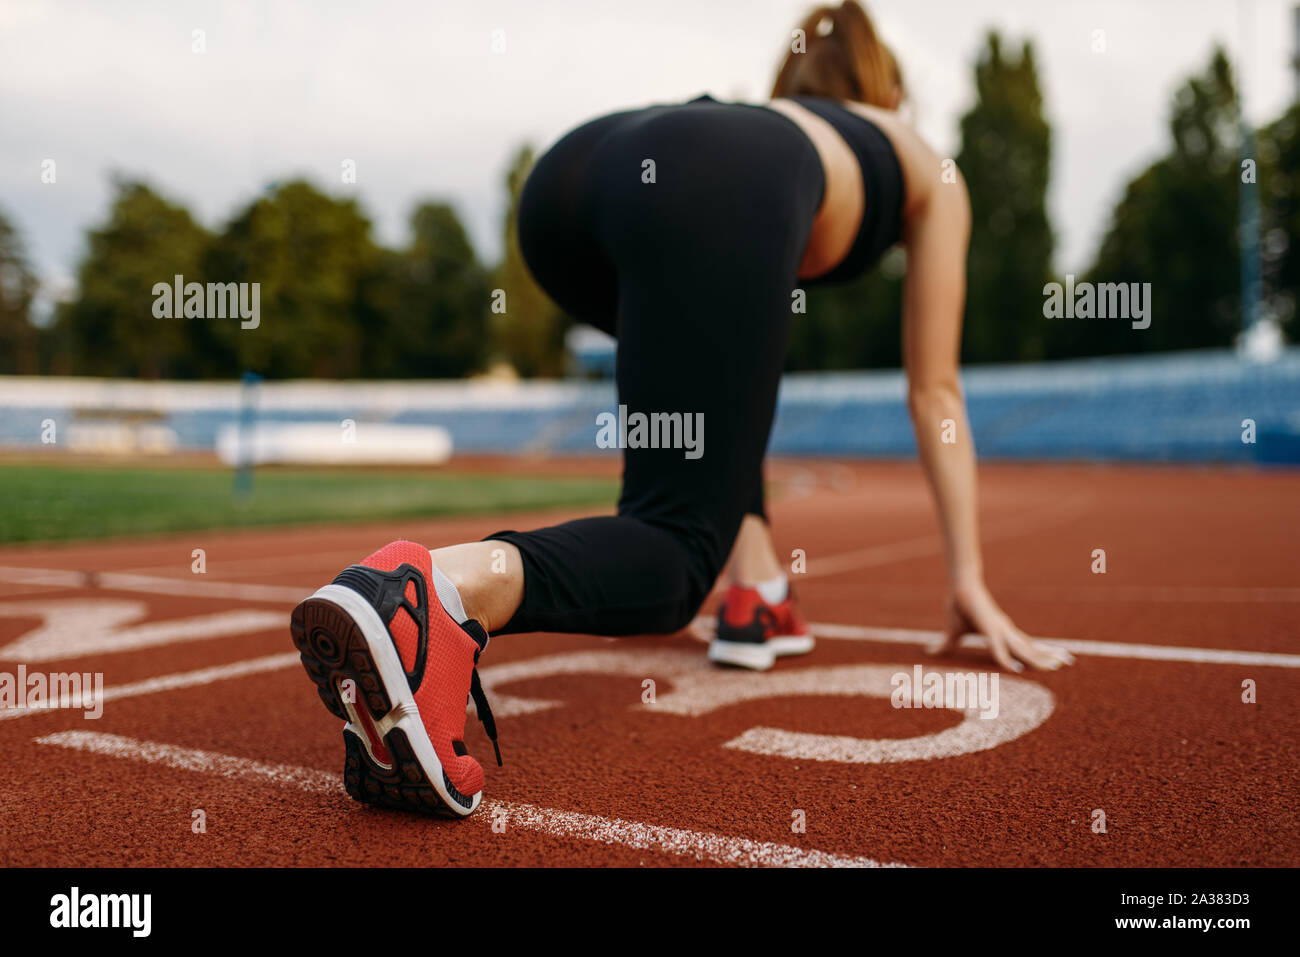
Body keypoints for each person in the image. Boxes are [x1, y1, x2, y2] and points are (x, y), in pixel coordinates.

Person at [289, 0, 1074, 819]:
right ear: (890, 92)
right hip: (711, 186)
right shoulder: (925, 164)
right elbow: (935, 391)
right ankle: (435, 590)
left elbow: (730, 379)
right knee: (671, 556)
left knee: (711, 390)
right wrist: (967, 578)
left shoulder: (776, 122)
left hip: (577, 182)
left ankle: (758, 589)